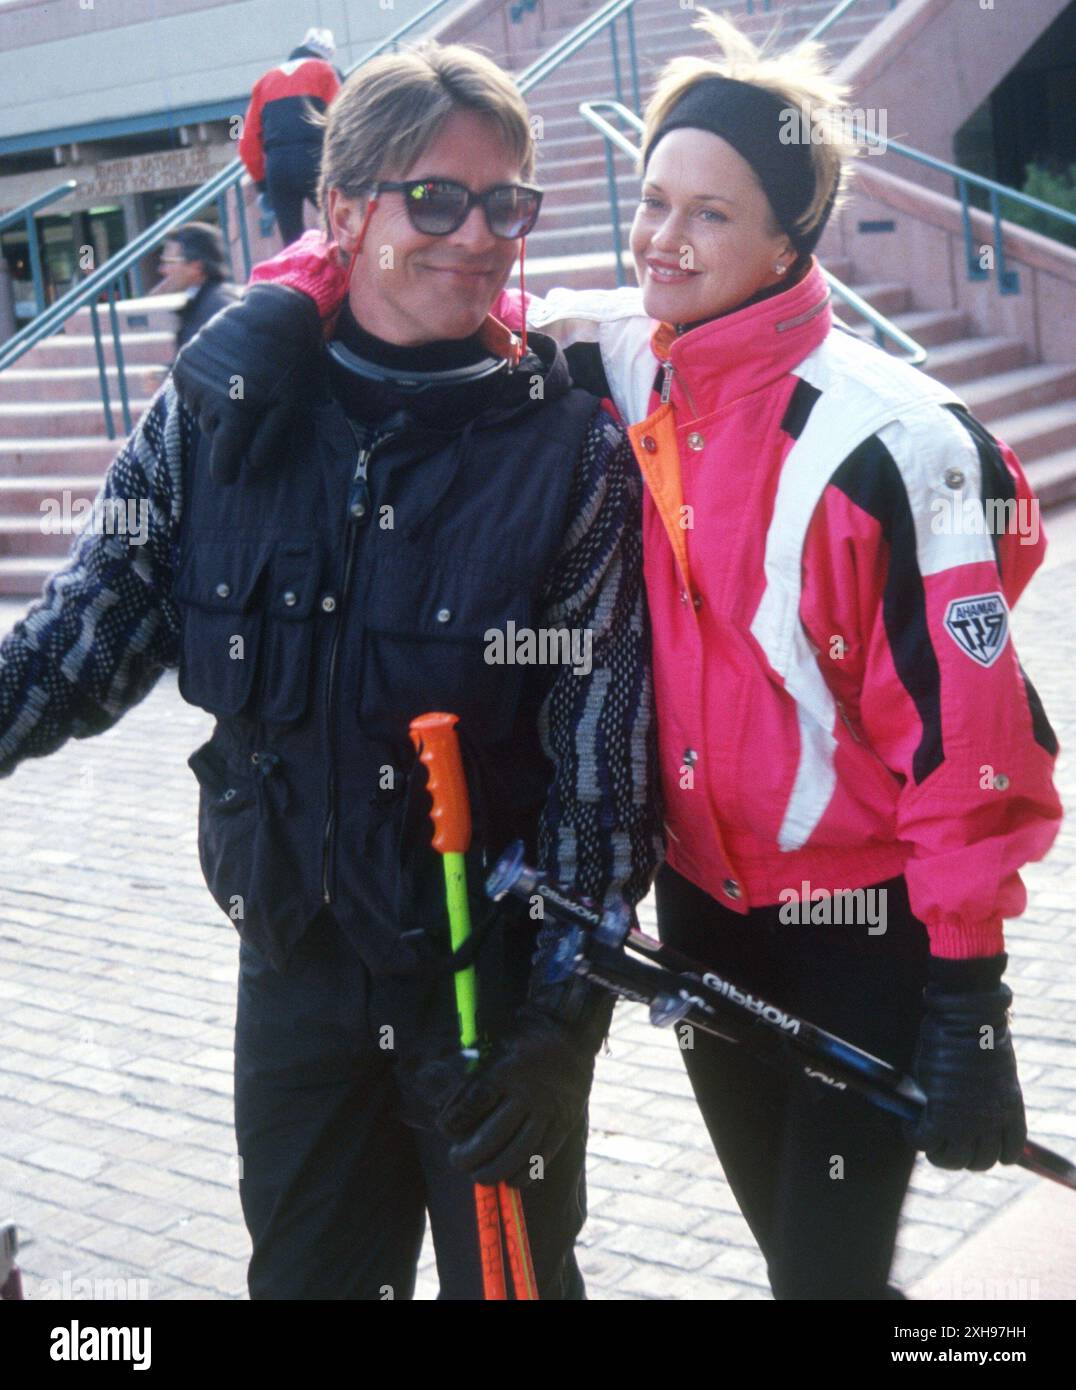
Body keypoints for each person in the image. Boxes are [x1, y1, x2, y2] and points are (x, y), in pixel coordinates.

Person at [174, 10, 1063, 1300]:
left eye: (709, 214)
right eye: (651, 200)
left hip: (862, 926)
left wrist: (968, 1000)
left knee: (824, 1277)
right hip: (708, 917)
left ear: (788, 237)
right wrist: (281, 295)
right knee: (795, 1257)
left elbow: (970, 751)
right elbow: (432, 268)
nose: (660, 239)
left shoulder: (898, 442)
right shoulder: (622, 352)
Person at [0, 42, 661, 1300]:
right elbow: (80, 642)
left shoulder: (569, 451)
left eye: (504, 202)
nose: (478, 234)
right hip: (294, 980)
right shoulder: (214, 418)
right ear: (342, 210)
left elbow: (601, 775)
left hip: (486, 997)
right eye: (435, 198)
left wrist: (557, 1035)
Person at [239, 27, 342, 245]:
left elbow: (246, 142)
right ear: (326, 54)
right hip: (315, 159)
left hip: (277, 167)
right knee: (340, 231)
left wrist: (262, 185)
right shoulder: (326, 71)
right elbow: (344, 121)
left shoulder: (265, 80)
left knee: (291, 243)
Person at [151, 221, 237, 352]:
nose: (162, 269)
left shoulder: (218, 309)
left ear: (196, 267)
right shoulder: (202, 301)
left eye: (169, 262)